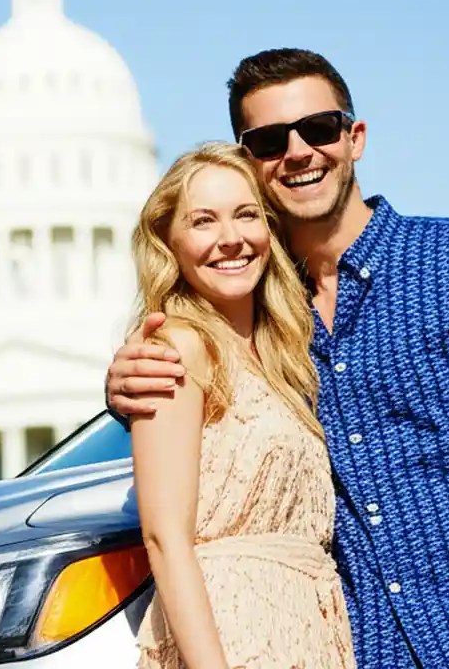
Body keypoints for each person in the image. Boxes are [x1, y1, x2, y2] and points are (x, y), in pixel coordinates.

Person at [108, 49, 449, 669]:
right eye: (271, 140)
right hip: (368, 651)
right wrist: (121, 391)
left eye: (318, 129)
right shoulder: (261, 313)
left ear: (354, 138)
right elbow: (212, 419)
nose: (298, 152)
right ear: (251, 163)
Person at [127, 142, 356, 669]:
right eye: (203, 221)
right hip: (229, 634)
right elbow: (164, 538)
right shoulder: (178, 347)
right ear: (170, 242)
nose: (231, 239)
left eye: (246, 215)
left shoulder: (286, 357)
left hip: (308, 630)